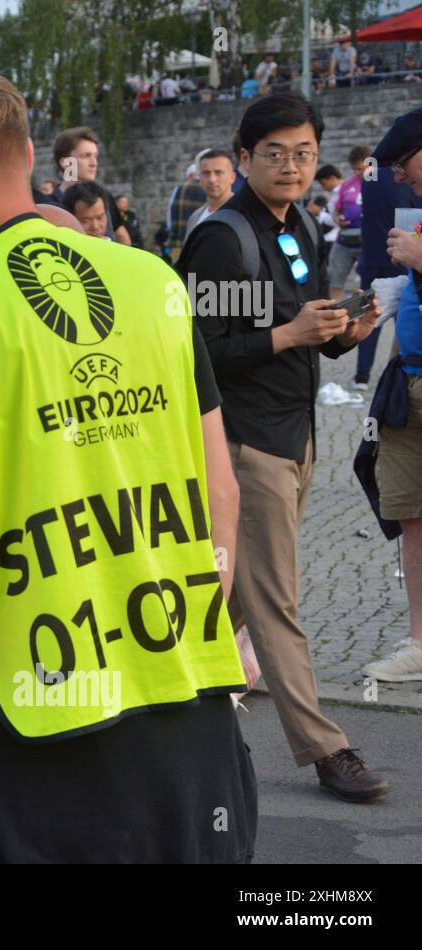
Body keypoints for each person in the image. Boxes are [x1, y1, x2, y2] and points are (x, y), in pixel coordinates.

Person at [0, 68, 256, 863]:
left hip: (32, 736)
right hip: (182, 709)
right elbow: (221, 492)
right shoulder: (152, 285)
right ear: (31, 154)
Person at [177, 93, 388, 802]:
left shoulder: (298, 222)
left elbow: (295, 323)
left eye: (303, 153)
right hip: (242, 444)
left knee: (227, 598)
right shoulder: (221, 236)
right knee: (274, 601)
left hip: (294, 432)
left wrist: (340, 332)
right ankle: (328, 750)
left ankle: (149, 708)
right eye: (276, 153)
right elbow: (195, 353)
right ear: (244, 157)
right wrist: (289, 336)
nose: (292, 166)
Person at [362, 105, 422, 682]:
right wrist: (366, 307)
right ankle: (419, 642)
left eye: (405, 164)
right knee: (409, 514)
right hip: (407, 383)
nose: (400, 176)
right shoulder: (416, 213)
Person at [354, 122, 422, 389]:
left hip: (375, 255)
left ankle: (362, 375)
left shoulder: (370, 180)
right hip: (409, 377)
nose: (398, 176)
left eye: (400, 164)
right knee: (377, 312)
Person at [51, 126, 130, 244]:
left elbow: (122, 235)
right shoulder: (48, 205)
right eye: (86, 156)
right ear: (65, 162)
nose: (94, 163)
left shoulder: (103, 196)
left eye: (95, 156)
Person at [328, 146, 369, 304]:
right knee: (334, 281)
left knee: (369, 282)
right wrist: (338, 219)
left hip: (368, 242)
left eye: (361, 168)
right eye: (354, 169)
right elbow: (335, 211)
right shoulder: (345, 185)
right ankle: (335, 313)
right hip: (344, 240)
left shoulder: (379, 183)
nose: (358, 172)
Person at [185, 148, 237, 238]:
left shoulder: (243, 214)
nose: (212, 180)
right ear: (200, 179)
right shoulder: (195, 217)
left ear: (232, 177)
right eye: (206, 173)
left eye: (218, 173)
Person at [165, 160, 207, 257]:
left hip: (179, 242)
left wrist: (171, 234)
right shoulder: (209, 188)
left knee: (181, 271)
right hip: (201, 243)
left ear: (188, 176)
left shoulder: (179, 189)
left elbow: (169, 218)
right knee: (195, 271)